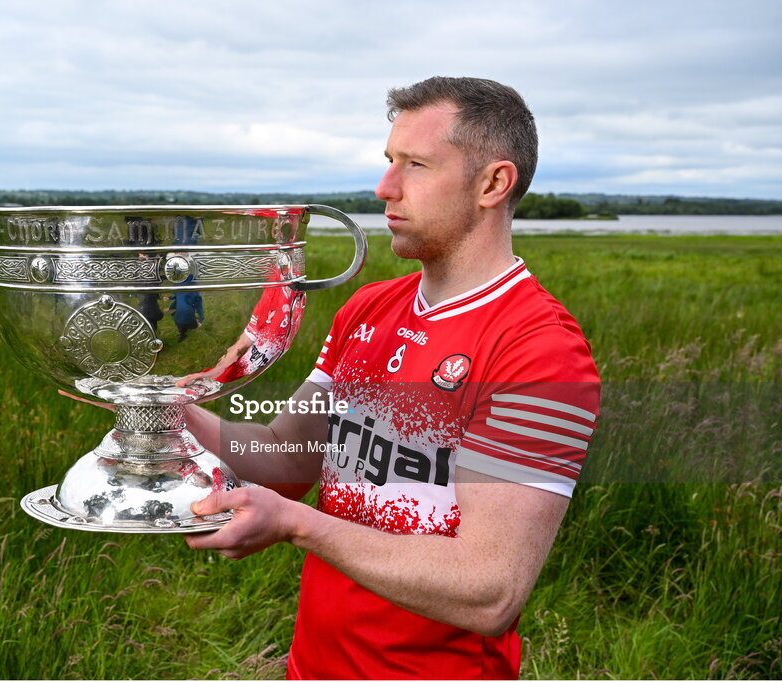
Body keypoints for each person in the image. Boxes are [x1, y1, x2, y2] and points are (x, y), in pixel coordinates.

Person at [181, 76, 601, 680]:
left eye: (417, 164)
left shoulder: (539, 349)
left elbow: (490, 592)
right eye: (388, 162)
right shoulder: (368, 309)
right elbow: (282, 459)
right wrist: (164, 406)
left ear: (492, 183)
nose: (385, 187)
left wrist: (298, 525)